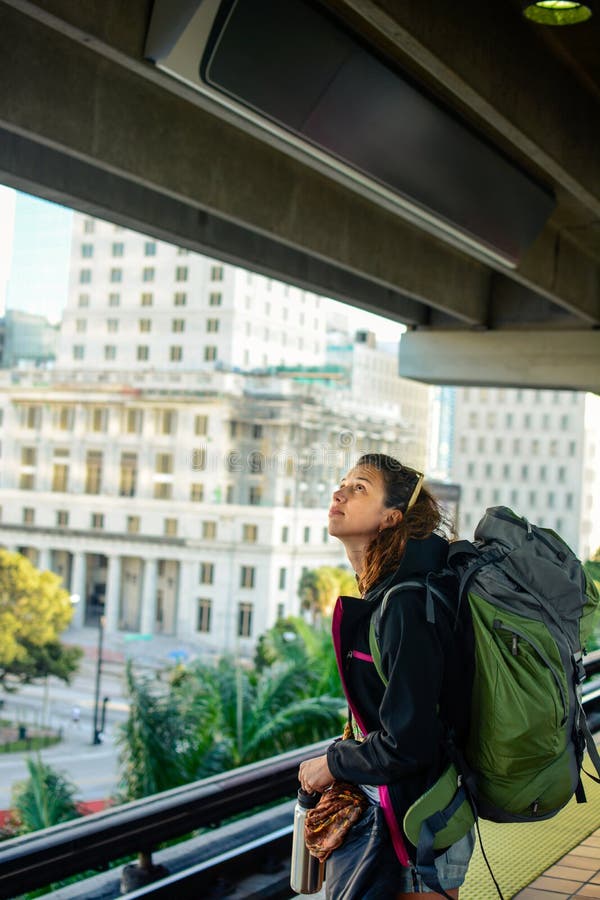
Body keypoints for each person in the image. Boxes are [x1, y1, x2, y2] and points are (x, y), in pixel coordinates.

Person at [298, 453, 474, 899]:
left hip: (416, 833)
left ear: (391, 517)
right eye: (342, 483)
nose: (339, 493)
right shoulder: (393, 593)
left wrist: (333, 762)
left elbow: (409, 741)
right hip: (403, 820)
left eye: (359, 488)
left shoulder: (405, 604)